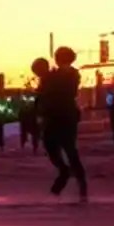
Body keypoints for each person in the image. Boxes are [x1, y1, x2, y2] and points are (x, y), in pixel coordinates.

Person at [36, 49, 88, 201]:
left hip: (65, 117)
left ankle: (80, 184)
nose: (57, 60)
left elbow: (64, 90)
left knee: (69, 150)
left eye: (59, 57)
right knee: (52, 148)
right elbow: (43, 94)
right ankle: (66, 174)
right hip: (54, 118)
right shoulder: (55, 75)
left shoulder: (70, 75)